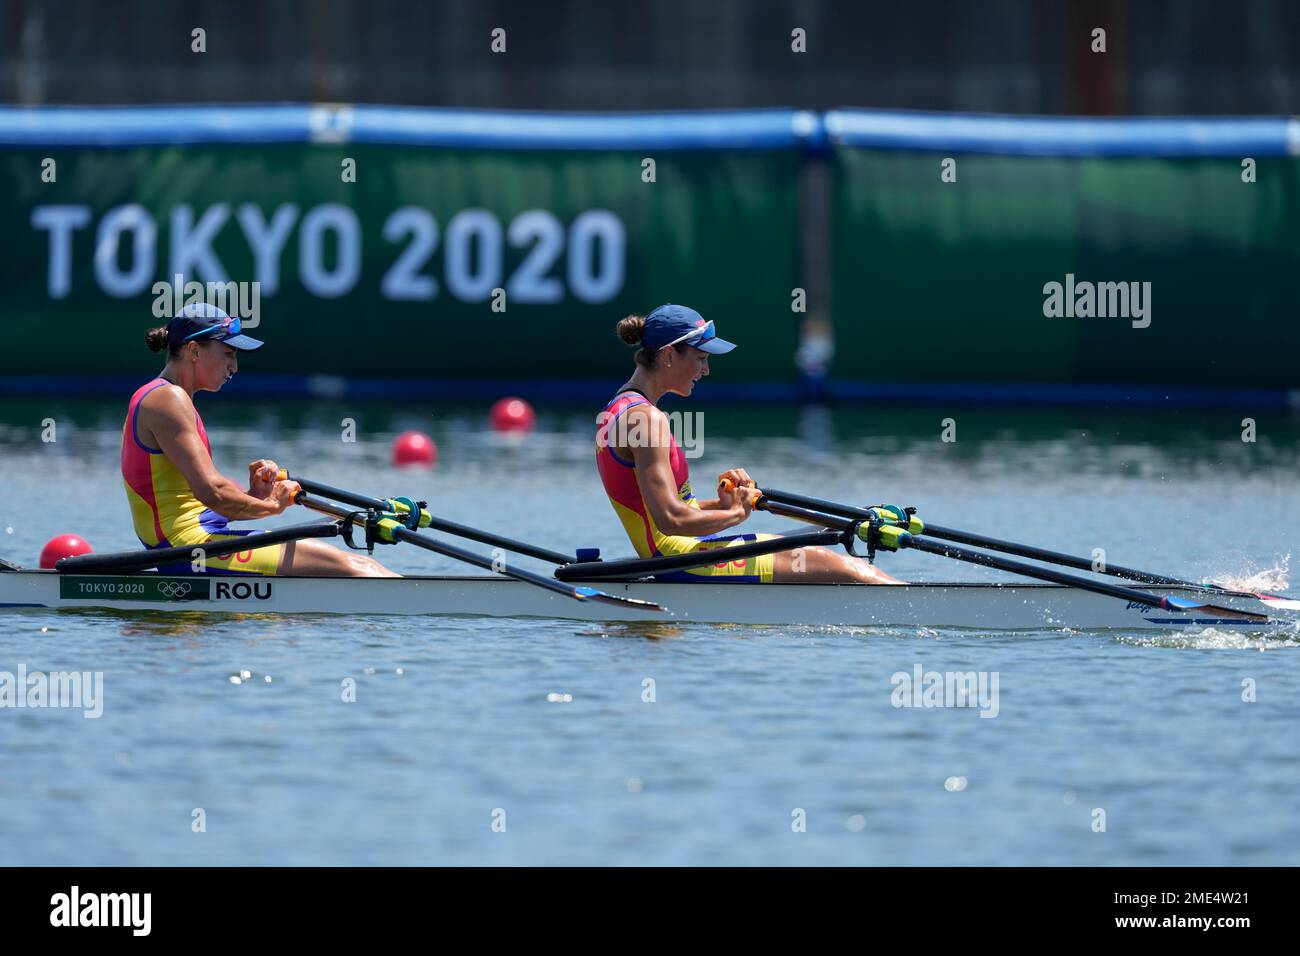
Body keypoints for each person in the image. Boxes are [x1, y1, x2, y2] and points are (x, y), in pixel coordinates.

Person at [596, 303, 899, 584]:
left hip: (681, 552)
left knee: (826, 552)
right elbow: (670, 519)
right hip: (680, 558)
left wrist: (723, 504)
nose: (706, 370)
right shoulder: (645, 419)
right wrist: (734, 516)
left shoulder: (619, 408)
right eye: (701, 358)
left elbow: (653, 510)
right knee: (849, 568)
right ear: (668, 356)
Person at [122, 302, 396, 576]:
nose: (234, 367)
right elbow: (213, 492)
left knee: (359, 567)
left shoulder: (165, 396)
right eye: (228, 353)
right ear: (193, 350)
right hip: (188, 549)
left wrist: (253, 496)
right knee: (360, 568)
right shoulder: (168, 399)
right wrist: (272, 505)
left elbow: (197, 504)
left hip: (195, 540)